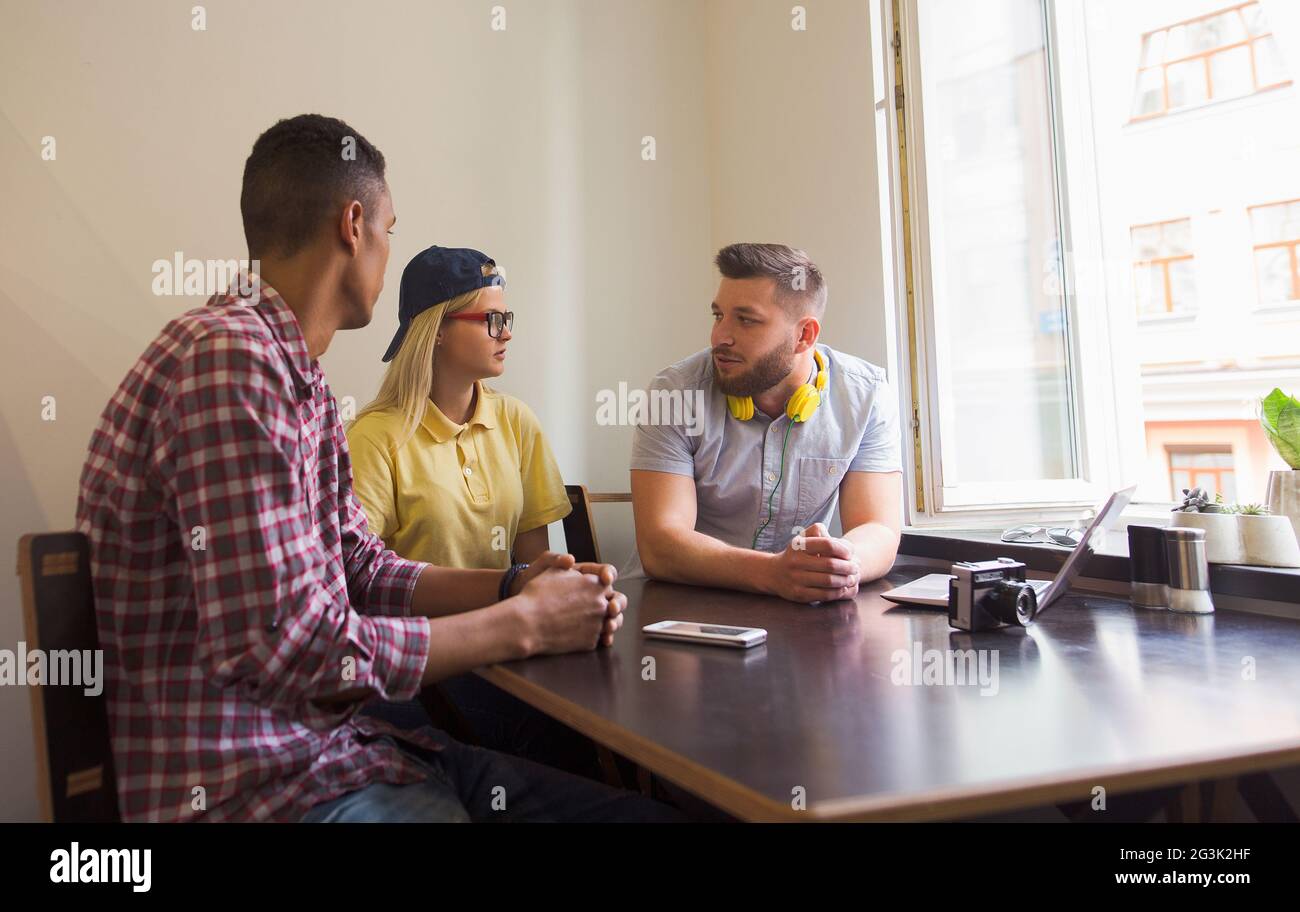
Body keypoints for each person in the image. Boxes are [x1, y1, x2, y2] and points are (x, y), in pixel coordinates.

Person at [76, 113, 676, 822]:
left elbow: (359, 566)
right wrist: (524, 625)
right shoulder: (228, 360)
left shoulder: (299, 382)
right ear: (353, 225)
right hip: (257, 789)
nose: (389, 250)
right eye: (391, 229)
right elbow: (287, 647)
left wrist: (513, 583)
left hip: (344, 754)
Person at [346, 246, 596, 775]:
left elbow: (533, 567)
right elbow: (358, 587)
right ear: (435, 328)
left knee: (589, 732)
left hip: (514, 648)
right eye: (491, 320)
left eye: (508, 319)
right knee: (564, 746)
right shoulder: (375, 438)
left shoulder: (516, 421)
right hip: (431, 665)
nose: (506, 332)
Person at [627, 243, 904, 604]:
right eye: (718, 316)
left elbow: (879, 528)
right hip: (682, 605)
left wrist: (845, 564)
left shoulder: (866, 396)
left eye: (746, 320)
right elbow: (661, 543)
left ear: (804, 335)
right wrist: (772, 573)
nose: (720, 337)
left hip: (796, 608)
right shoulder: (675, 393)